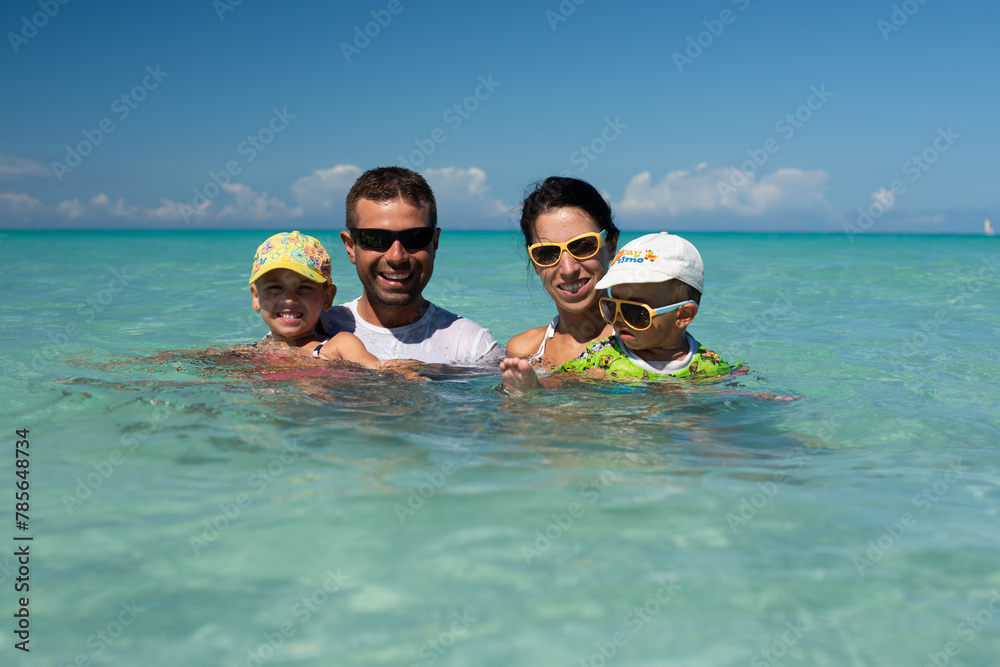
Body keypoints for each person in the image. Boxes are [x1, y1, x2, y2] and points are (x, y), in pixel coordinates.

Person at [502, 232, 735, 393]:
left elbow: (731, 389)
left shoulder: (707, 363)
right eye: (612, 307)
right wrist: (533, 386)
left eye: (636, 313)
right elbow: (562, 381)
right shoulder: (603, 355)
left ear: (683, 315)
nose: (620, 319)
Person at [319, 167, 502, 365]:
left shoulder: (472, 346)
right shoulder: (313, 327)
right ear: (350, 247)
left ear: (435, 243)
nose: (397, 256)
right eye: (376, 239)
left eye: (415, 237)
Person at [500, 176, 620, 380]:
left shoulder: (652, 340)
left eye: (583, 246)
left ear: (611, 245)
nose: (568, 269)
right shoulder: (522, 351)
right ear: (535, 264)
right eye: (547, 253)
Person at [250, 230, 379, 368]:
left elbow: (378, 371)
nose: (289, 299)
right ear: (256, 297)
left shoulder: (338, 347)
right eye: (275, 287)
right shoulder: (251, 353)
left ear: (327, 298)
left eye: (304, 288)